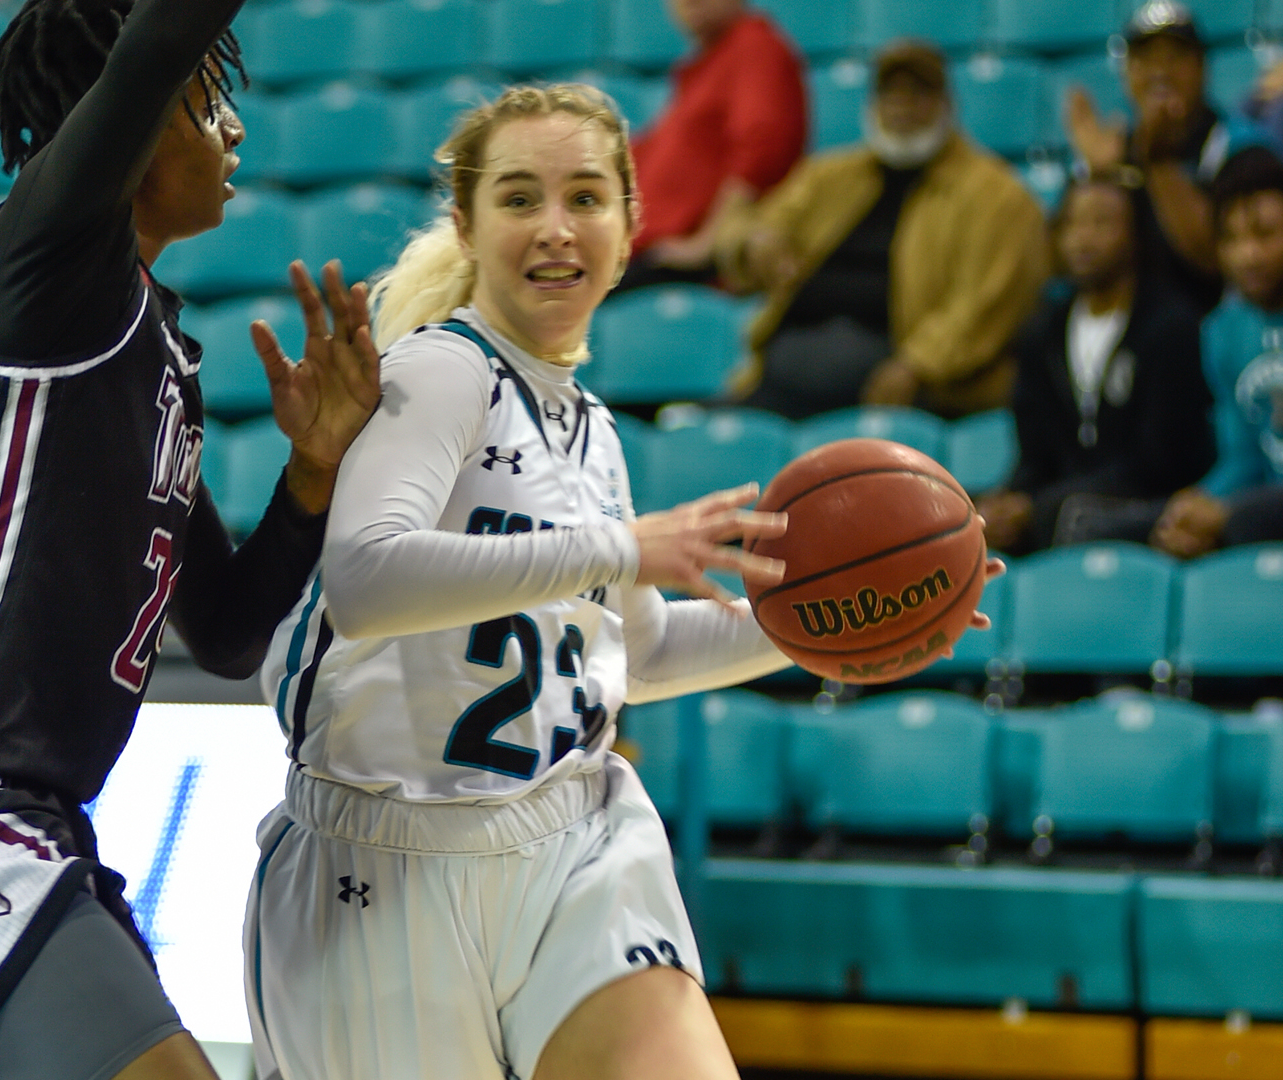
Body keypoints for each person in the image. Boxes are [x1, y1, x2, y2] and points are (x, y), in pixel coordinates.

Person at [246, 83, 995, 1080]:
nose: (557, 226)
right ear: (466, 225)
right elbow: (366, 580)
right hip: (381, 860)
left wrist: (844, 621)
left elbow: (639, 657)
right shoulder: (441, 372)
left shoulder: (591, 427)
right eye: (520, 198)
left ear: (631, 226)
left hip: (572, 838)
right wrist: (619, 549)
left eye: (587, 197)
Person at [0, 0, 380, 1077]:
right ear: (138, 122)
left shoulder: (156, 354)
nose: (234, 128)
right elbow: (153, 41)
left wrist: (312, 475)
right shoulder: (42, 265)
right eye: (207, 101)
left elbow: (228, 632)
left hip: (30, 815)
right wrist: (160, 60)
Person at [713, 40, 1047, 420]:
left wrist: (917, 364)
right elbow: (745, 229)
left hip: (900, 389)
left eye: (918, 93)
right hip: (780, 377)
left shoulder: (997, 197)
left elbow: (985, 304)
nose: (902, 105)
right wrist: (754, 244)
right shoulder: (830, 177)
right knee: (697, 431)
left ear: (947, 104)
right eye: (890, 93)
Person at [978, 176, 1216, 554]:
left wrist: (1038, 506)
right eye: (1072, 223)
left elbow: (1162, 461)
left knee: (1073, 517)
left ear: (1136, 233)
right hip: (1058, 506)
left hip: (1149, 505)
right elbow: (1035, 456)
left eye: (1101, 222)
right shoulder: (1042, 332)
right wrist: (1009, 503)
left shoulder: (1170, 327)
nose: (1083, 238)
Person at [1066, 1, 1265, 314]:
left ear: (1202, 68)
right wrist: (1100, 177)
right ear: (1127, 72)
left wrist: (1158, 162)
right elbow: (1062, 266)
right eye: (1145, 59)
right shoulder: (1109, 151)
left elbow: (1216, 256)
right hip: (1133, 334)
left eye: (1175, 58)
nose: (1160, 72)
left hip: (1212, 328)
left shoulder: (1240, 146)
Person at [1152, 147, 1283, 557]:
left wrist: (1226, 515)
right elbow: (1243, 458)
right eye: (1231, 239)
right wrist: (1196, 505)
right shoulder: (1222, 332)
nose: (1248, 255)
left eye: (1265, 234)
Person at [619, 0, 805, 287]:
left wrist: (706, 243)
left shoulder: (754, 47)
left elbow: (764, 152)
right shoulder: (713, 58)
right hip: (648, 249)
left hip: (681, 262)